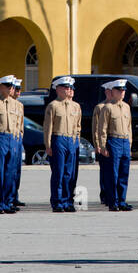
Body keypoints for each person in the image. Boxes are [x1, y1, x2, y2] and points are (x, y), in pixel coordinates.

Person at [94, 78, 134, 211]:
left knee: (124, 173)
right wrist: (103, 146)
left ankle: (122, 200)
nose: (122, 93)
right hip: (113, 141)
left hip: (124, 141)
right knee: (113, 174)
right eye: (119, 90)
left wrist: (129, 144)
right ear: (113, 92)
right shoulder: (107, 108)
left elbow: (129, 128)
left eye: (123, 90)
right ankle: (113, 202)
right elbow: (102, 128)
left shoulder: (126, 107)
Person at [43, 76, 82, 212]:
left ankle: (67, 201)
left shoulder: (75, 106)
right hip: (58, 139)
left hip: (70, 140)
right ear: (57, 89)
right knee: (58, 172)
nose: (68, 90)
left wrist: (76, 140)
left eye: (69, 88)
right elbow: (48, 127)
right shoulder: (53, 105)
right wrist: (48, 145)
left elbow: (78, 126)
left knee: (68, 173)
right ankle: (57, 201)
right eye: (65, 87)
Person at [0, 76, 20, 214]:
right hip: (0, 137)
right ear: (2, 88)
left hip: (12, 138)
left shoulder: (17, 105)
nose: (12, 89)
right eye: (9, 87)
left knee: (10, 173)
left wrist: (17, 139)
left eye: (12, 87)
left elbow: (20, 124)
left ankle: (7, 202)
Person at [9, 78, 26, 209]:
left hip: (17, 139)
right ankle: (9, 197)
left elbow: (20, 125)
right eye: (17, 89)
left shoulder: (19, 105)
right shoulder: (6, 104)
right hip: (8, 138)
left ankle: (14, 195)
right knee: (9, 170)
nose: (19, 92)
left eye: (20, 89)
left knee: (16, 171)